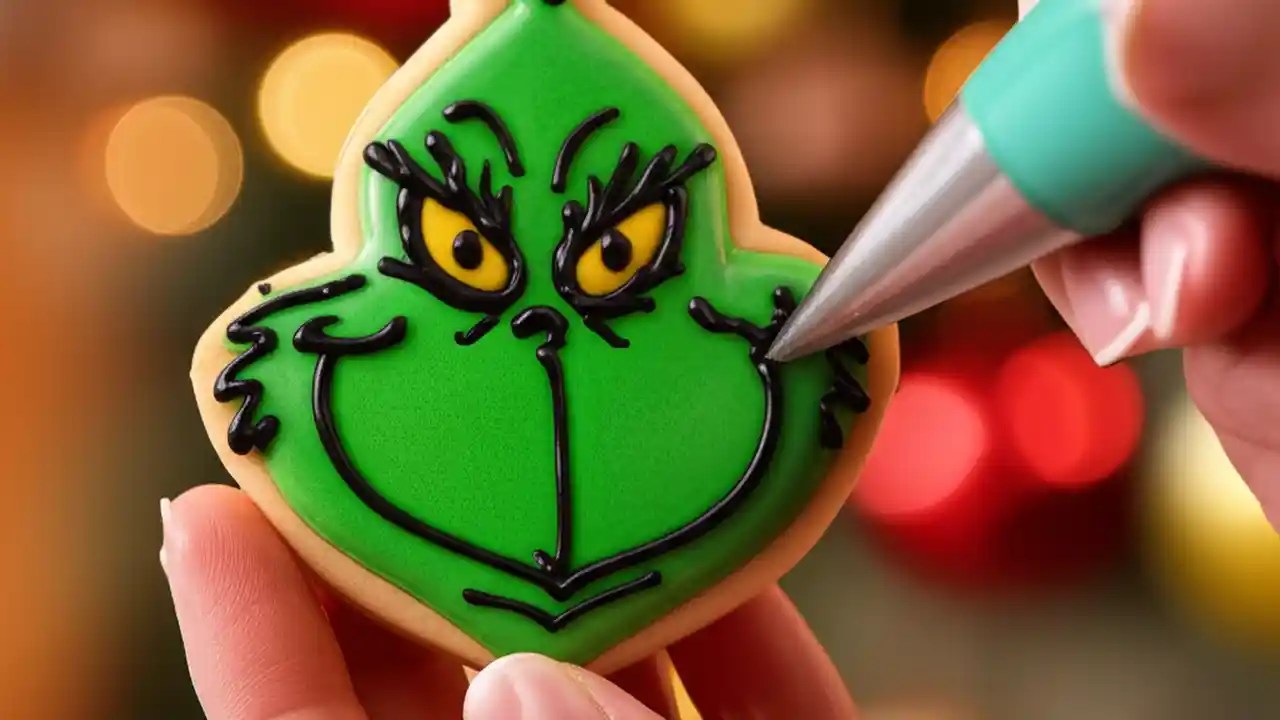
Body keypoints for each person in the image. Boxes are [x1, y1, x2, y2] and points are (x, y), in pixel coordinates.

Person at [164, 0, 1280, 716]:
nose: (544, 326)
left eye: (615, 252)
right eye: (463, 249)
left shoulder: (782, 343)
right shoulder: (322, 365)